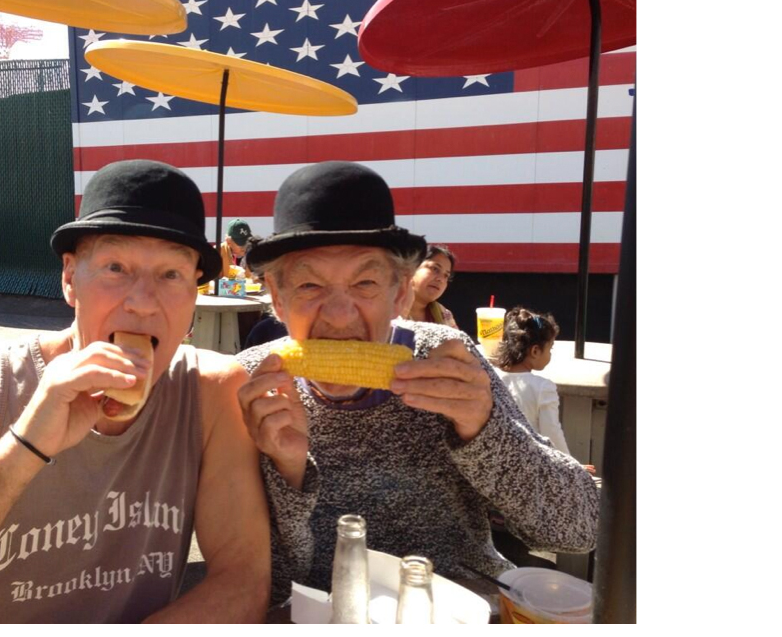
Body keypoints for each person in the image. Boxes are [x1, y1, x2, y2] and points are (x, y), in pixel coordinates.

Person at [234, 161, 600, 603]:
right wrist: (288, 473)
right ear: (277, 298)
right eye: (310, 285)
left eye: (365, 283)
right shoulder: (247, 384)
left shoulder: (447, 358)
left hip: (461, 607)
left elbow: (578, 530)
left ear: (401, 294)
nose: (339, 316)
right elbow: (260, 586)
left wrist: (485, 430)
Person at [0, 160, 270, 623]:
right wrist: (25, 445)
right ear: (70, 278)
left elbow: (243, 580)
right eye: (116, 268)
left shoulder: (213, 393)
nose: (143, 302)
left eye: (171, 274)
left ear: (193, 296)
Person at [492, 307, 597, 474]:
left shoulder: (490, 377)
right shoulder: (543, 387)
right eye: (550, 348)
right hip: (529, 468)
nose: (550, 354)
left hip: (493, 465)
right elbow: (551, 431)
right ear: (535, 351)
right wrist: (571, 466)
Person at [404, 244, 459, 329]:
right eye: (435, 269)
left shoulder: (444, 315)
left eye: (446, 275)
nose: (441, 279)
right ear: (412, 268)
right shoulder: (389, 309)